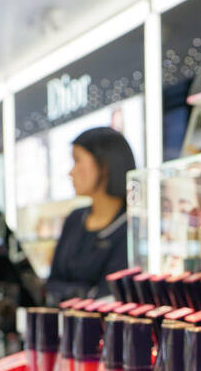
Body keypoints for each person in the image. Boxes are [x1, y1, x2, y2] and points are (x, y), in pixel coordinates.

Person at [44, 127, 136, 304]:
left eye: (77, 160)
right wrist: (84, 292)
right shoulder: (74, 218)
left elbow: (108, 296)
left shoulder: (129, 226)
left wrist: (69, 292)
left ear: (105, 164)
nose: (71, 172)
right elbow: (51, 284)